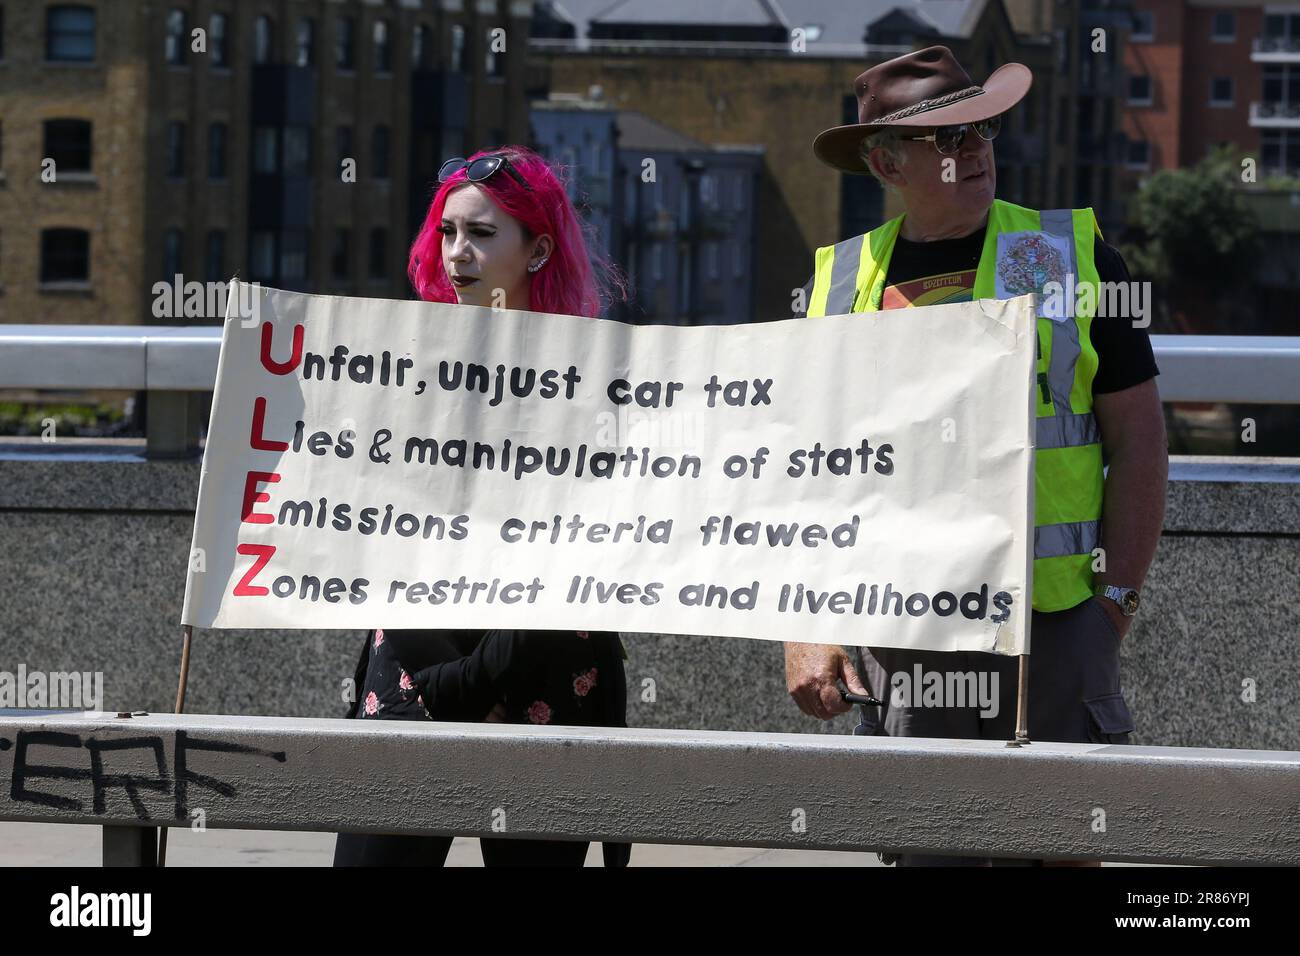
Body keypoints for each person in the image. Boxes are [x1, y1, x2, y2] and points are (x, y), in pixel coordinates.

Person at [786, 47, 1169, 866]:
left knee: (1061, 853)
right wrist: (808, 627)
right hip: (909, 630)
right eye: (946, 138)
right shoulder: (842, 281)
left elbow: (1138, 439)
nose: (977, 148)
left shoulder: (1070, 256)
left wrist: (1114, 605)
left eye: (982, 127)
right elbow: (811, 474)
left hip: (1057, 628)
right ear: (886, 161)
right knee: (930, 854)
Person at [333, 146, 630, 867]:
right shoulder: (400, 368)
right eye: (447, 232)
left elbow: (590, 541)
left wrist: (484, 675)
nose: (458, 252)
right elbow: (373, 527)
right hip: (413, 663)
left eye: (483, 234)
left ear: (538, 250)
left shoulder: (595, 377)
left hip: (548, 670)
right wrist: (443, 675)